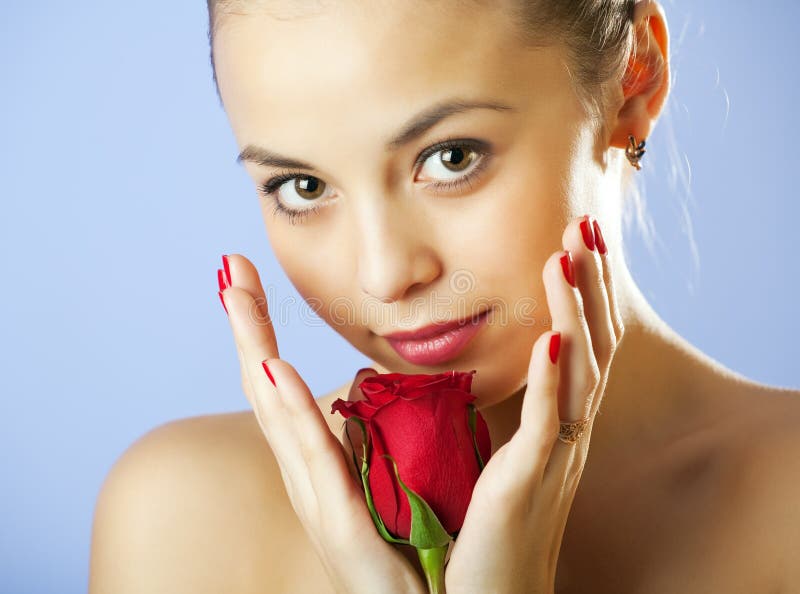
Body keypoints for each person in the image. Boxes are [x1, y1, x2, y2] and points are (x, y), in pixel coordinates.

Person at [88, 0, 800, 592]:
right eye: (302, 187)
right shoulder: (180, 520)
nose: (383, 275)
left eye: (450, 157)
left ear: (634, 77)